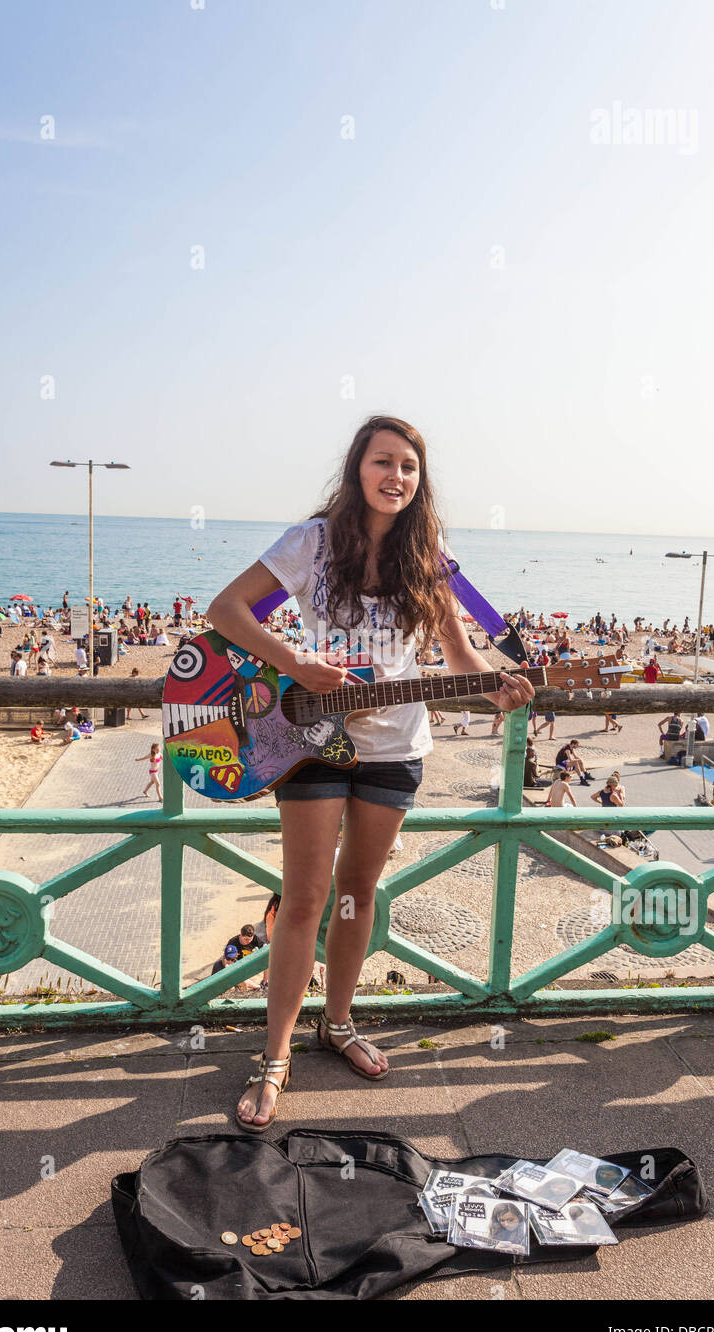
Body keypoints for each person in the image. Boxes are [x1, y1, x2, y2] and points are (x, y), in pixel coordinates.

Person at [206, 414, 534, 1131]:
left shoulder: (429, 554)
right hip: (312, 737)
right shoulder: (312, 542)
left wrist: (496, 690)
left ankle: (340, 1021)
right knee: (304, 898)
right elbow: (226, 610)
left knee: (358, 893)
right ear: (358, 468)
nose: (397, 478)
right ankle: (274, 1055)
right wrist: (294, 662)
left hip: (396, 747)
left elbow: (457, 654)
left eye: (409, 468)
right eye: (384, 463)